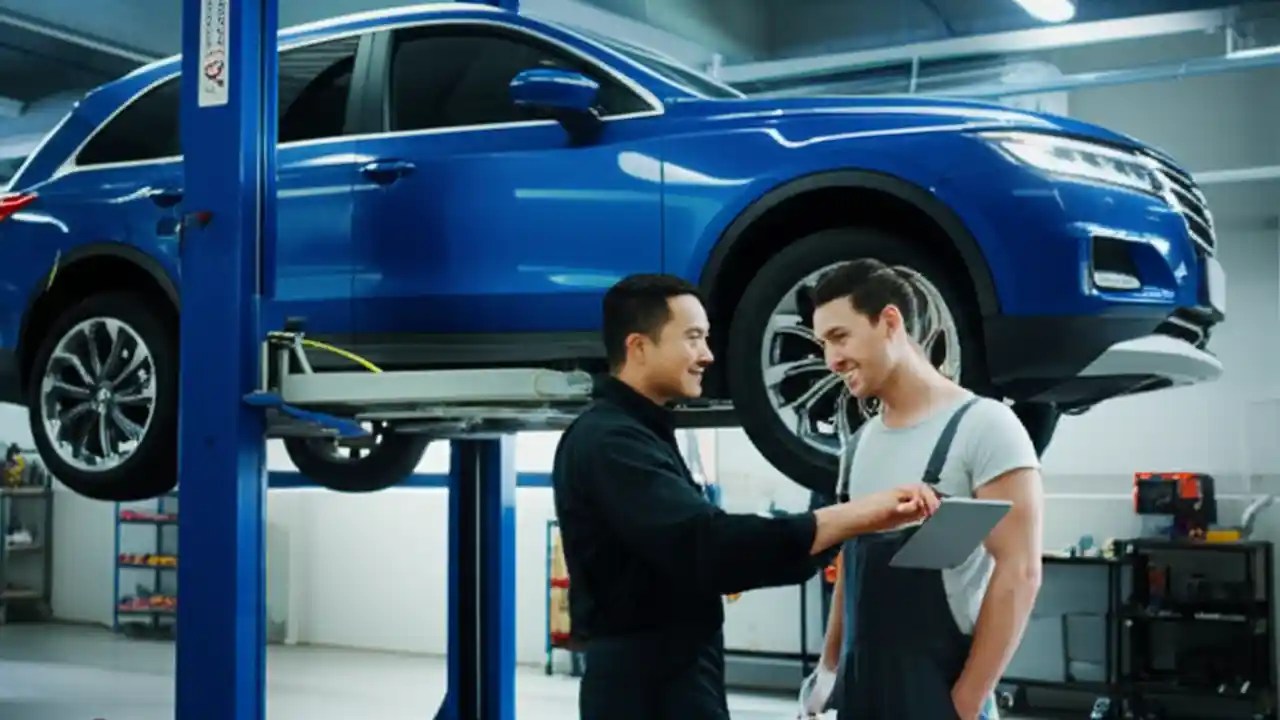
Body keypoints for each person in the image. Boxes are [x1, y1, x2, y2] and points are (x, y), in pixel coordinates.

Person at [551, 273, 941, 720]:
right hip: (647, 691)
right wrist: (854, 517)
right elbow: (708, 546)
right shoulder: (611, 443)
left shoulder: (639, 434)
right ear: (638, 346)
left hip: (671, 676)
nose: (708, 355)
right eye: (694, 338)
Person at [799, 259, 1045, 720]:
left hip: (942, 692)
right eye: (822, 344)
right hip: (861, 690)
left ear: (889, 322)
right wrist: (829, 670)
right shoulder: (858, 446)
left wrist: (966, 703)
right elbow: (849, 571)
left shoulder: (984, 427)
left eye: (840, 337)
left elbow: (1020, 571)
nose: (831, 360)